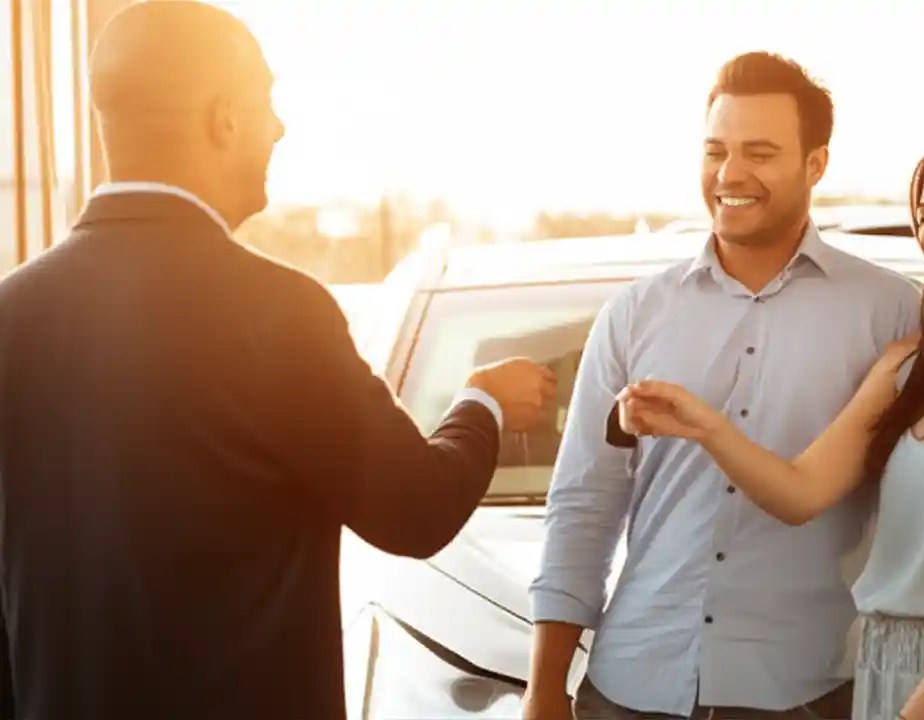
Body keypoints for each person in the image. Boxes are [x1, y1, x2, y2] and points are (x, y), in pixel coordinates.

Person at [0, 3, 555, 718]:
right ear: (223, 118)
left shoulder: (11, 316)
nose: (279, 127)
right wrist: (482, 403)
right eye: (268, 101)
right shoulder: (277, 312)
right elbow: (415, 511)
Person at [524, 52, 924, 720]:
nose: (731, 174)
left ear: (815, 164)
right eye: (715, 150)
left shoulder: (897, 317)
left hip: (812, 690)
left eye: (759, 151)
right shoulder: (635, 313)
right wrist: (543, 688)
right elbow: (585, 503)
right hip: (635, 684)